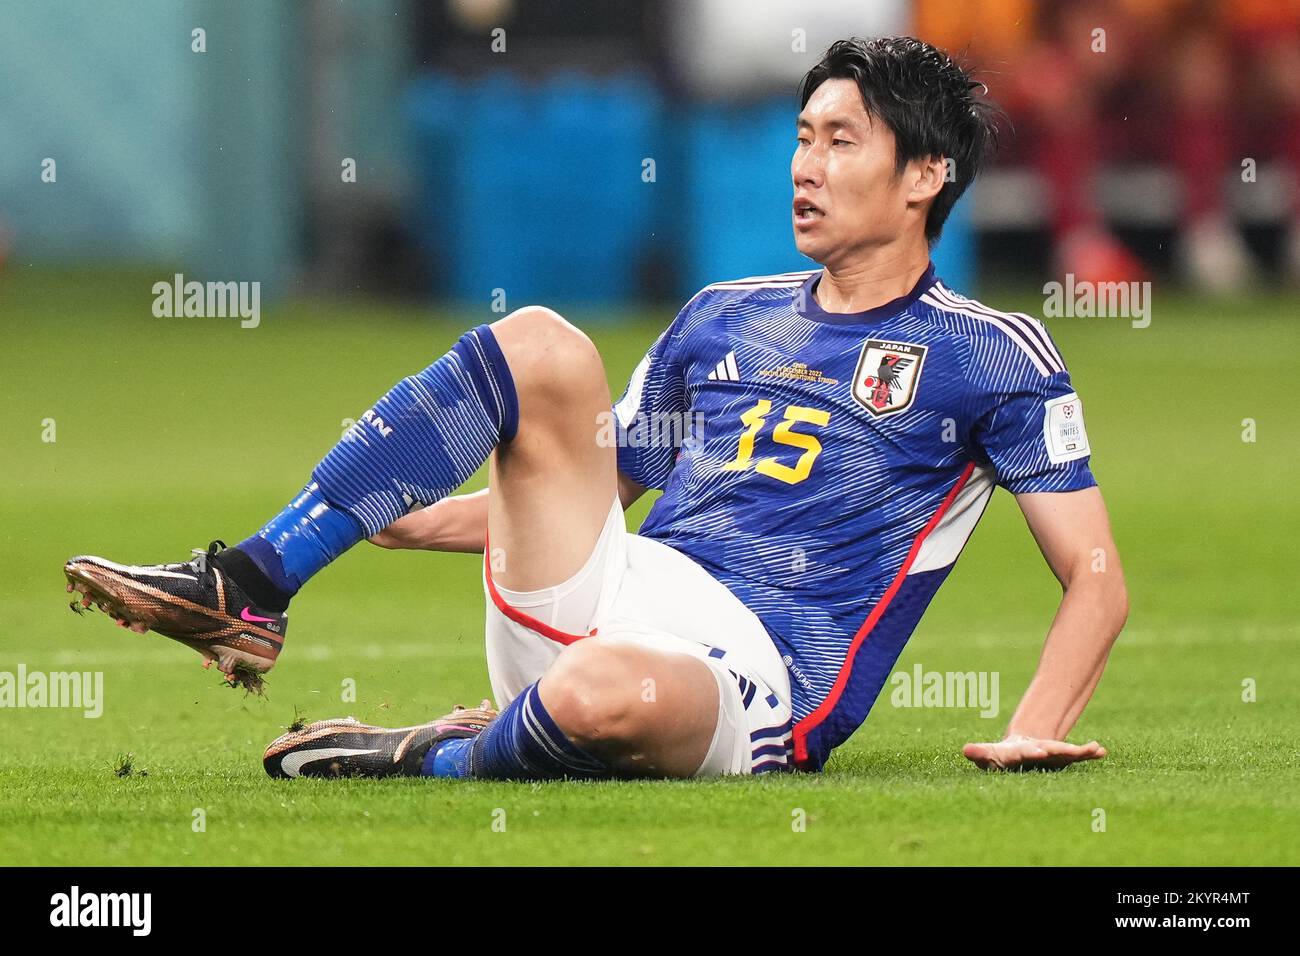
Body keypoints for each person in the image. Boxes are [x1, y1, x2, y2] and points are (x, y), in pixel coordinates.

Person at [64, 37, 1127, 780]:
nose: (804, 167)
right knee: (542, 345)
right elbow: (593, 487)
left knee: (599, 692)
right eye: (801, 137)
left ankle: (433, 752)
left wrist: (1035, 727)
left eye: (841, 141)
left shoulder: (989, 354)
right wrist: (407, 519)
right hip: (618, 587)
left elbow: (1093, 575)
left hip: (748, 677)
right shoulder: (722, 316)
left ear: (924, 175)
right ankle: (251, 580)